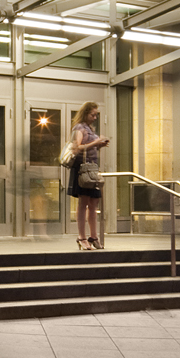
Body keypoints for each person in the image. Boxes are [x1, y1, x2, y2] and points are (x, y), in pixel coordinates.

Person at [70, 101, 108, 250]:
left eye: (96, 115)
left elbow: (89, 148)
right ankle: (82, 237)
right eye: (93, 114)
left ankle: (94, 236)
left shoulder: (89, 129)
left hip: (92, 170)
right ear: (85, 113)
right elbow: (76, 147)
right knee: (83, 203)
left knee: (94, 203)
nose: (95, 117)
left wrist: (99, 144)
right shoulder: (79, 128)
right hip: (82, 170)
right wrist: (96, 142)